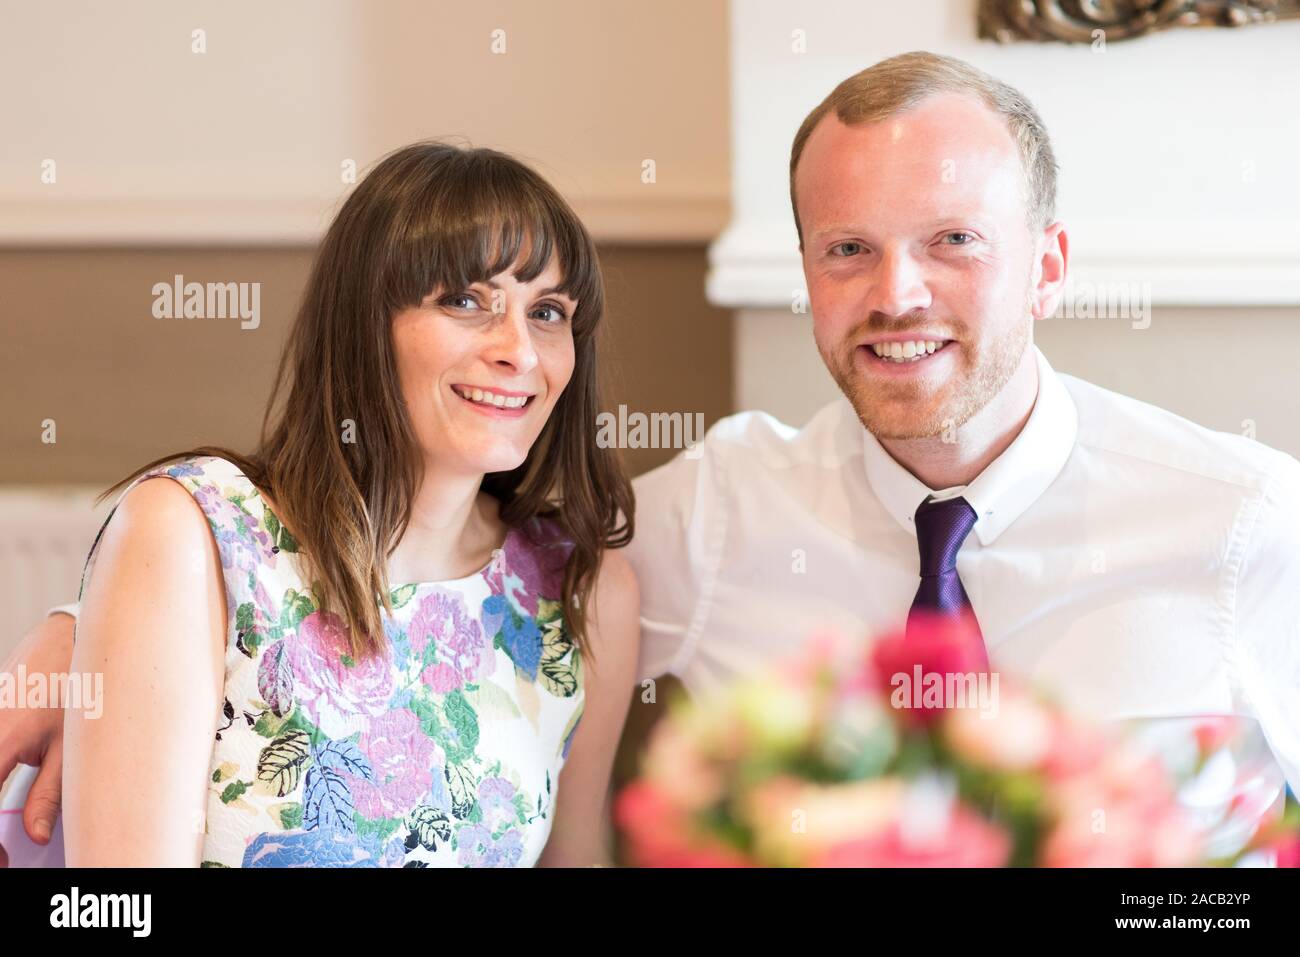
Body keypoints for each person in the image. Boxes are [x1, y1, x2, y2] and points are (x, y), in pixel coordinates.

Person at [6, 51, 1299, 863]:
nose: (897, 291)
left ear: (1050, 268)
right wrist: (96, 622)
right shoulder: (733, 509)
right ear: (805, 277)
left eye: (953, 241)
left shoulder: (1247, 523)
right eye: (849, 249)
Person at [0, 141, 640, 867]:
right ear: (365, 323)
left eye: (549, 311)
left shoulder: (581, 590)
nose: (520, 351)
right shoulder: (194, 532)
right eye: (467, 300)